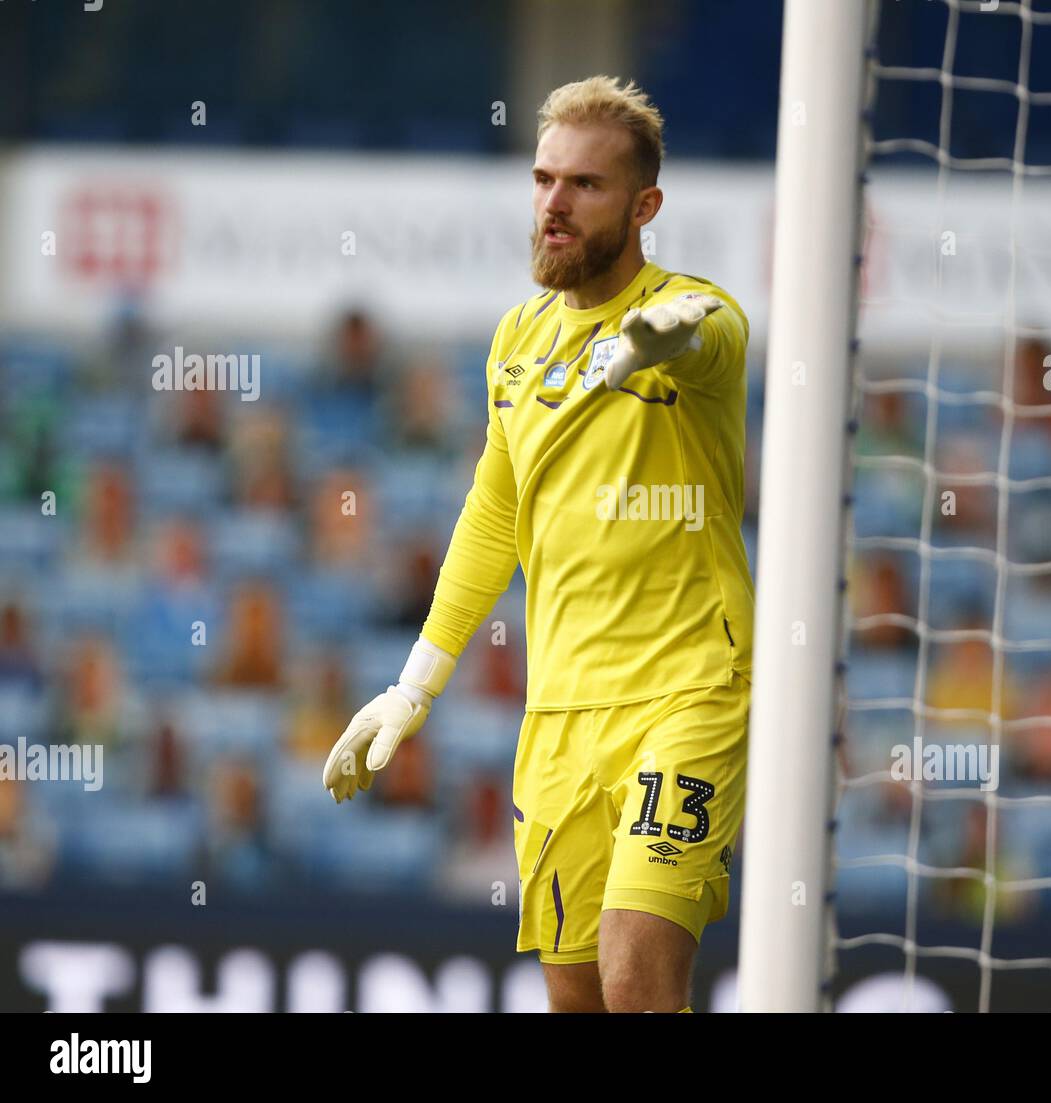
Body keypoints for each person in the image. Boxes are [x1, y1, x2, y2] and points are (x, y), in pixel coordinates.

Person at [322, 76, 753, 1013]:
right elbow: (492, 520)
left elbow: (713, 338)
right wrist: (413, 687)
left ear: (645, 207)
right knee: (578, 1001)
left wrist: (663, 337)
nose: (555, 203)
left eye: (585, 186)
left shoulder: (692, 317)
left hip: (686, 695)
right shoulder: (517, 340)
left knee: (638, 973)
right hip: (559, 718)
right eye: (544, 178)